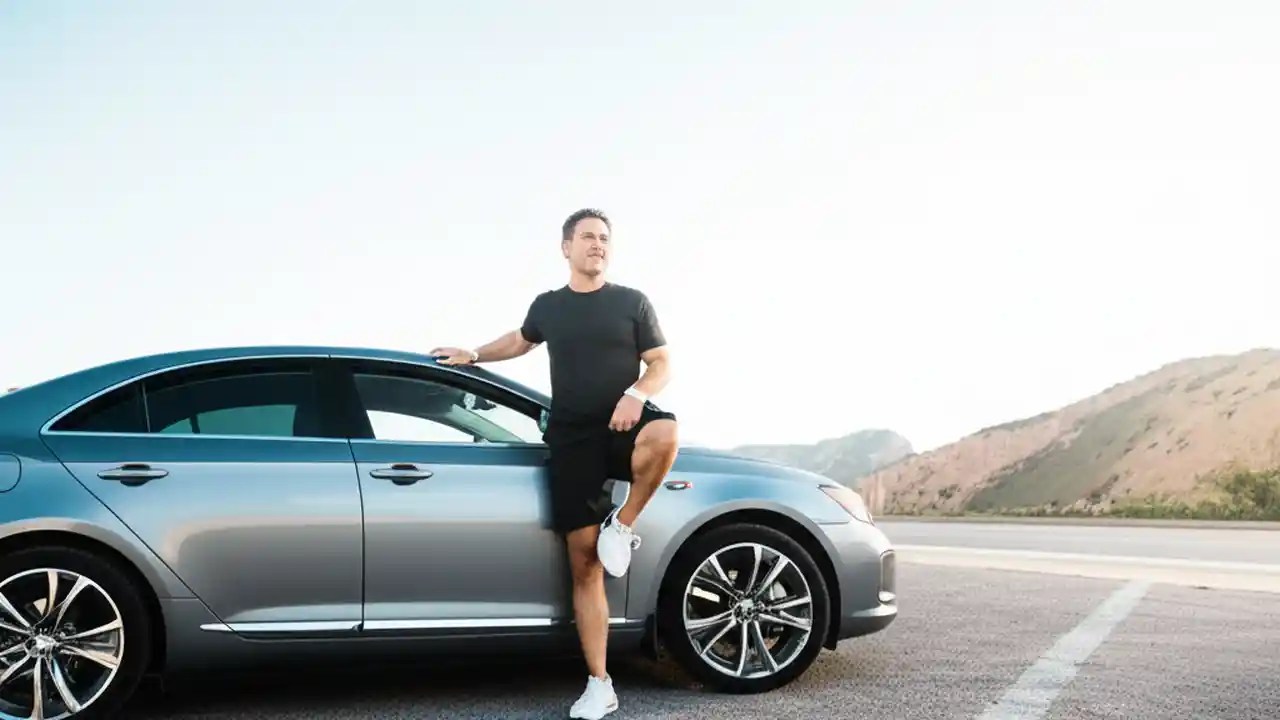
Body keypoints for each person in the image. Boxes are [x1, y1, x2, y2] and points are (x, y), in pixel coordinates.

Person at [430, 208, 679, 720]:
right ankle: (600, 683)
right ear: (566, 247)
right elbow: (520, 340)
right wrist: (473, 354)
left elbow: (662, 363)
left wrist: (636, 393)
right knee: (584, 564)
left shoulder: (632, 303)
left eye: (605, 238)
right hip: (571, 439)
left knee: (665, 431)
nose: (598, 244)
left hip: (621, 420)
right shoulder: (549, 306)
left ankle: (623, 526)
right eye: (587, 237)